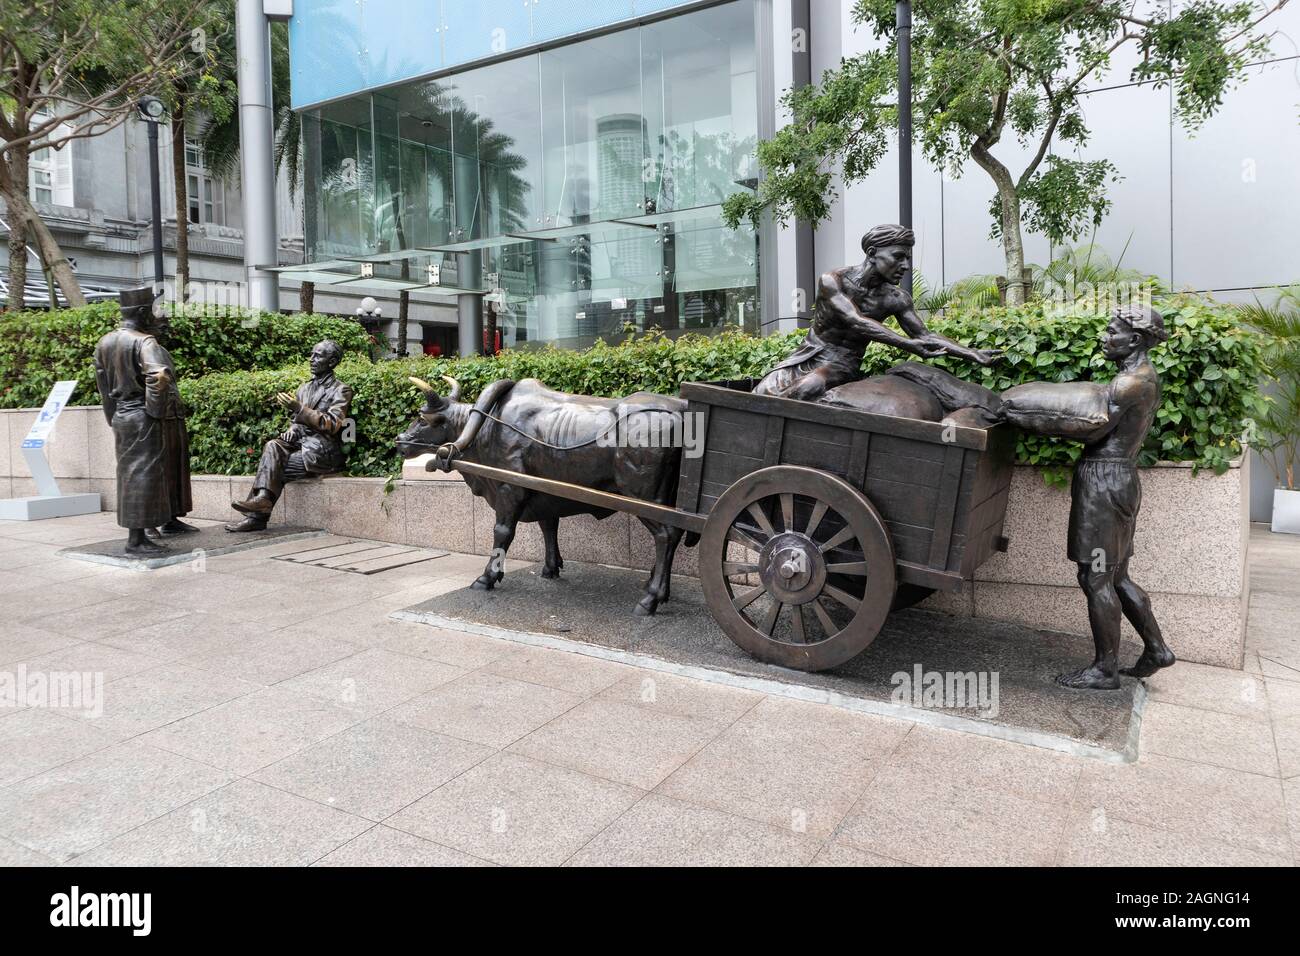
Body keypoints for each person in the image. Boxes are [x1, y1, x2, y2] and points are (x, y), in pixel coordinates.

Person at [999, 305, 1176, 689]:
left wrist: (1027, 420)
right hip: (1121, 480)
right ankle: (1157, 650)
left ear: (1135, 339)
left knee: (1095, 577)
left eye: (1112, 331)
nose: (1104, 337)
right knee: (1118, 575)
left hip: (1103, 481)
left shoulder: (1130, 384)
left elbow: (1091, 430)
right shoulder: (1143, 377)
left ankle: (1104, 670)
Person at [754, 224, 1000, 400]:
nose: (905, 265)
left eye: (907, 258)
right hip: (806, 357)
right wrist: (907, 344)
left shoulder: (896, 298)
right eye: (898, 257)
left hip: (840, 364)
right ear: (872, 253)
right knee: (759, 395)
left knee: (810, 387)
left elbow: (925, 336)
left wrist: (972, 353)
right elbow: (856, 321)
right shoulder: (833, 280)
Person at [93, 286, 196, 555]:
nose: (154, 316)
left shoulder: (105, 342)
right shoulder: (144, 342)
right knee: (144, 475)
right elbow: (158, 376)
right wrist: (155, 412)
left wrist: (113, 416)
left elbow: (103, 386)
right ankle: (136, 540)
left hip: (123, 415)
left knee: (131, 474)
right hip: (143, 415)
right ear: (141, 312)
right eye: (150, 310)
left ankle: (140, 534)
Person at [226, 340, 353, 532]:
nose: (311, 359)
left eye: (318, 356)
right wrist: (292, 431)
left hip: (321, 450)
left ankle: (258, 515)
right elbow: (297, 422)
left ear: (332, 361)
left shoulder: (341, 389)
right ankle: (261, 504)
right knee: (272, 446)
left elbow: (333, 424)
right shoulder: (304, 388)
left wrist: (299, 408)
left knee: (275, 468)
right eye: (311, 354)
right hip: (301, 444)